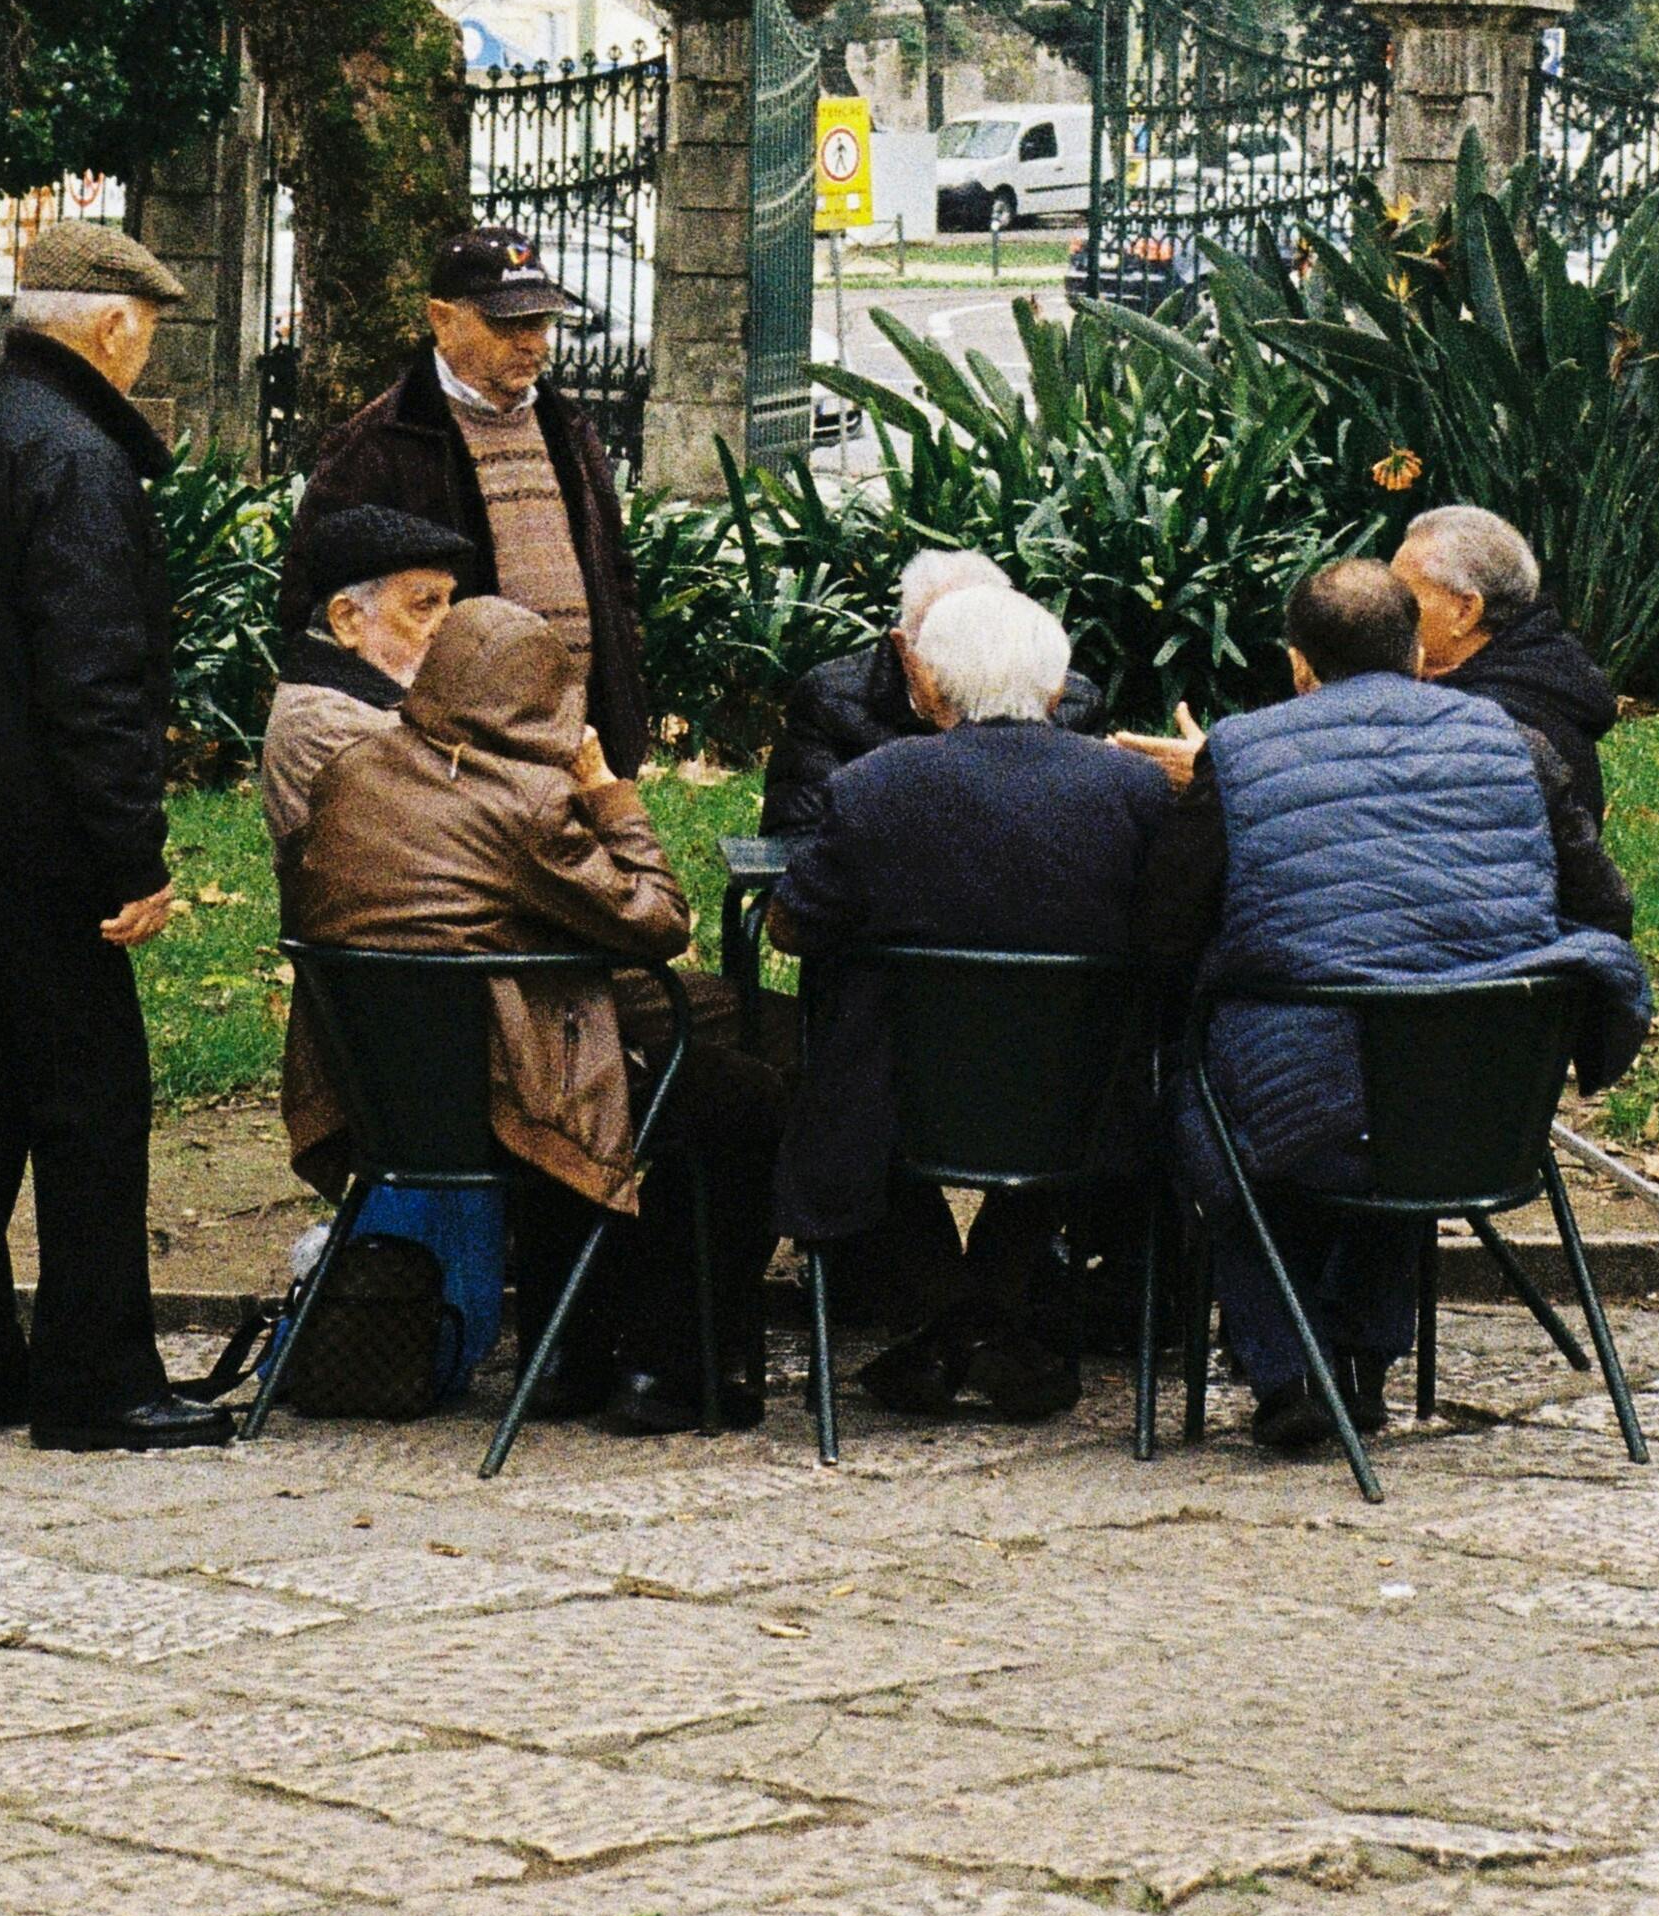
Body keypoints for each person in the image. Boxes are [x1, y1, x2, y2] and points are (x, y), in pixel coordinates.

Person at [1139, 556, 1647, 1460]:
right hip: (1484, 1105)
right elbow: (1602, 906)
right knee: (1414, 1058)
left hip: (1299, 1103)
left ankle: (1286, 1370)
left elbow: (1164, 931)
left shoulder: (1245, 750)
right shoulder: (1522, 747)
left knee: (1211, 1096)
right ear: (1417, 651)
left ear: (1298, 664)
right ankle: (1364, 1359)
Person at [0, 219, 229, 1455]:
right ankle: (95, 1380)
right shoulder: (79, 459)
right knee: (91, 1106)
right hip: (41, 842)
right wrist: (132, 859)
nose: (148, 359)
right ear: (116, 327)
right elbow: (95, 681)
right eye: (149, 337)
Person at [289, 595, 778, 1431]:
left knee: (626, 1048)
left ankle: (568, 1356)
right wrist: (609, 793)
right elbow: (658, 920)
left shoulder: (350, 773)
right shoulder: (525, 805)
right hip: (506, 1098)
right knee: (746, 1100)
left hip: (379, 1098)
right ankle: (666, 1362)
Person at [766, 583, 1177, 1422]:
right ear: (1058, 687)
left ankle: (958, 1320)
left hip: (900, 1101)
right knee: (1089, 1076)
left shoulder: (873, 785)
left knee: (842, 1061)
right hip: (1087, 1102)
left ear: (934, 685)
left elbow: (791, 931)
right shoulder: (1136, 791)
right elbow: (1170, 935)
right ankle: (987, 1321)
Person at [302, 227, 651, 772]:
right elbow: (320, 608)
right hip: (458, 752)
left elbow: (615, 574)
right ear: (442, 318)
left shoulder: (569, 429)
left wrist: (622, 679)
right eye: (506, 324)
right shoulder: (381, 441)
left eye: (540, 323)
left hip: (580, 736)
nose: (532, 343)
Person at [257, 504, 473, 1190]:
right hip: (430, 1019)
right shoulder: (335, 721)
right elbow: (478, 837)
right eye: (424, 606)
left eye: (449, 603)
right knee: (745, 1077)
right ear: (349, 620)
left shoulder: (372, 705)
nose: (447, 627)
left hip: (451, 991)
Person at [759, 546, 1103, 840]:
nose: (971, 658)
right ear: (905, 648)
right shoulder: (832, 698)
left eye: (984, 636)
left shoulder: (1068, 699)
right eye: (945, 641)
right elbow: (797, 835)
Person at [1394, 503, 1622, 820]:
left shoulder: (1489, 719)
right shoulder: (1538, 670)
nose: (1389, 610)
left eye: (1403, 596)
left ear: (1465, 612)